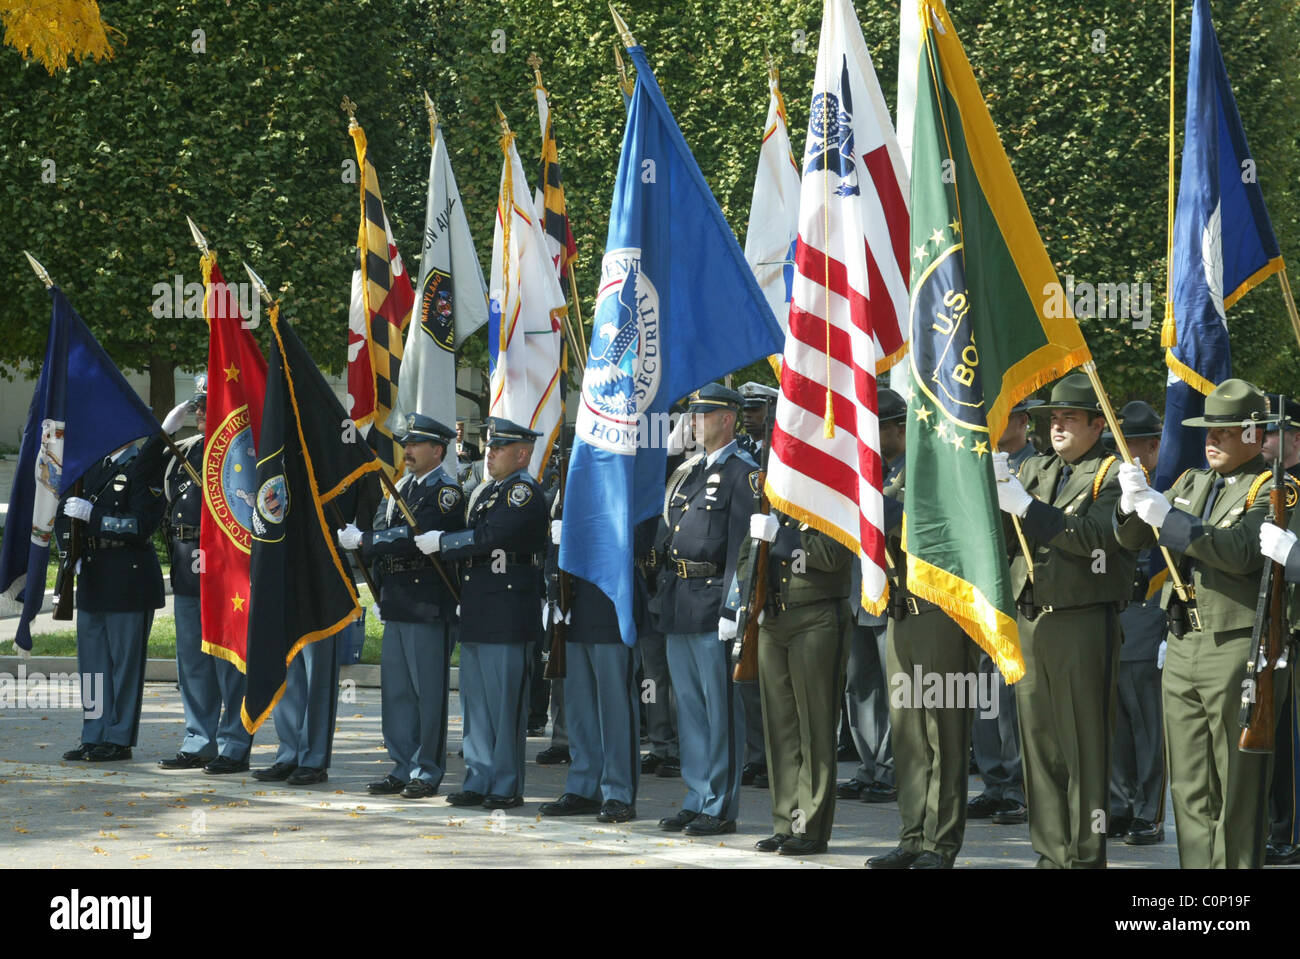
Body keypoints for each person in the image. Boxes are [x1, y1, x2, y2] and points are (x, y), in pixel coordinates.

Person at [1118, 378, 1295, 869]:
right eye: (1207, 430)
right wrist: (1129, 501)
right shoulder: (1193, 482)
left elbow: (1240, 551)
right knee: (1190, 787)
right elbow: (1134, 538)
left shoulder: (1277, 489)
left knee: (1237, 786)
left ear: (1254, 434)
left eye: (1224, 430)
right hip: (1183, 643)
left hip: (1239, 646)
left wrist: (1169, 517)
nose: (1211, 439)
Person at [994, 371, 1135, 868]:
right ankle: (1051, 853)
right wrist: (990, 496)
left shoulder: (1115, 475)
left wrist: (1029, 510)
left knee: (1083, 748)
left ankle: (1085, 854)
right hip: (1031, 623)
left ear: (1098, 425)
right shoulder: (1035, 469)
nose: (1057, 427)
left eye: (1069, 418)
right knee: (1040, 748)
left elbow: (1096, 540)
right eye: (1052, 418)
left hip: (1080, 623)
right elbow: (1006, 542)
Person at [339, 414, 464, 799]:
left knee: (427, 691)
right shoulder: (402, 487)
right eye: (406, 443)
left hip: (427, 602)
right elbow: (384, 530)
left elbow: (413, 536)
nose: (407, 450)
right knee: (397, 691)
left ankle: (427, 769)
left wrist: (366, 540)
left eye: (416, 444)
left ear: (437, 450)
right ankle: (401, 764)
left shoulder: (446, 491)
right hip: (397, 599)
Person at [653, 384, 758, 836]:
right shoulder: (688, 470)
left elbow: (743, 548)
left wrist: (734, 608)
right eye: (692, 415)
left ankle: (719, 805)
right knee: (690, 711)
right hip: (680, 600)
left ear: (727, 419)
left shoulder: (743, 473)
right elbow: (667, 534)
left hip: (714, 600)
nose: (693, 422)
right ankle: (696, 796)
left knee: (720, 713)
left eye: (703, 415)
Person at [429, 416, 548, 809]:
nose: (490, 453)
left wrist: (443, 541)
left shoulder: (523, 493)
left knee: (504, 703)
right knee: (475, 701)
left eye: (499, 448)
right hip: (480, 603)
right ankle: (478, 777)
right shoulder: (488, 492)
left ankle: (505, 784)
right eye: (489, 446)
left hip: (509, 609)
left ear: (523, 454)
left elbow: (492, 537)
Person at [867, 462, 976, 869]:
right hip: (901, 615)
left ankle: (940, 844)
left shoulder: (954, 465)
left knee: (942, 733)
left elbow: (945, 532)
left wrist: (890, 512)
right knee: (909, 736)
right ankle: (912, 838)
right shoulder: (903, 470)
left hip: (942, 614)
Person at [732, 507, 853, 856]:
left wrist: (781, 538)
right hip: (773, 619)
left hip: (816, 617)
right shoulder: (776, 506)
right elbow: (746, 557)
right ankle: (786, 823)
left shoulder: (829, 498)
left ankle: (810, 828)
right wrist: (752, 595)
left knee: (814, 727)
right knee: (780, 729)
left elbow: (832, 556)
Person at [155, 379, 253, 774]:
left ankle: (233, 744)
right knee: (192, 661)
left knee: (229, 658)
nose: (198, 411)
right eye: (196, 405)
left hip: (226, 566)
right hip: (187, 563)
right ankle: (199, 741)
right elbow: (151, 483)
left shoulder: (243, 450)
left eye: (206, 405)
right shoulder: (187, 452)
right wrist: (164, 430)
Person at [58, 437, 166, 763]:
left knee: (124, 667)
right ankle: (94, 733)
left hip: (128, 577)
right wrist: (68, 551)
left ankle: (118, 739)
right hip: (92, 572)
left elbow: (142, 524)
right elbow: (65, 508)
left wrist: (94, 517)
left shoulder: (145, 465)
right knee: (93, 668)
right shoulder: (92, 465)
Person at [539, 521, 639, 823]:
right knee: (578, 706)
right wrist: (552, 591)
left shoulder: (618, 478)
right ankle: (583, 787)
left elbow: (635, 536)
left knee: (614, 707)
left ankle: (619, 792)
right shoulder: (571, 480)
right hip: (573, 603)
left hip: (608, 599)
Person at [968, 399, 1036, 823]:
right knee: (985, 694)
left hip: (1016, 591)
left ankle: (1020, 787)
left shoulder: (1036, 468)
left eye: (1002, 415)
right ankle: (995, 783)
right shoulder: (979, 462)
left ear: (1023, 421)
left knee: (1012, 698)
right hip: (984, 592)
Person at [838, 388, 906, 805]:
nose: (869, 435)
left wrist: (868, 499)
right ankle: (869, 765)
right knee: (860, 684)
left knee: (893, 682)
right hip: (858, 590)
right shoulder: (864, 468)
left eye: (877, 426)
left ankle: (893, 767)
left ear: (900, 427)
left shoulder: (914, 470)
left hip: (895, 591)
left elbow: (905, 521)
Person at [1104, 401, 1166, 845]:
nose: (1123, 454)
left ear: (1155, 446)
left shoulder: (1172, 485)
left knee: (1146, 722)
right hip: (1114, 608)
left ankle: (1149, 812)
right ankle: (1121, 805)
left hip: (1149, 610)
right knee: (1118, 722)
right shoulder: (1112, 483)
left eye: (1133, 446)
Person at [1259, 396, 1300, 865]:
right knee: (1274, 732)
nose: (1262, 439)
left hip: (1295, 626)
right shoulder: (1265, 486)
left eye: (1271, 431)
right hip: (1272, 627)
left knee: (1292, 741)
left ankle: (1290, 831)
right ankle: (1275, 824)